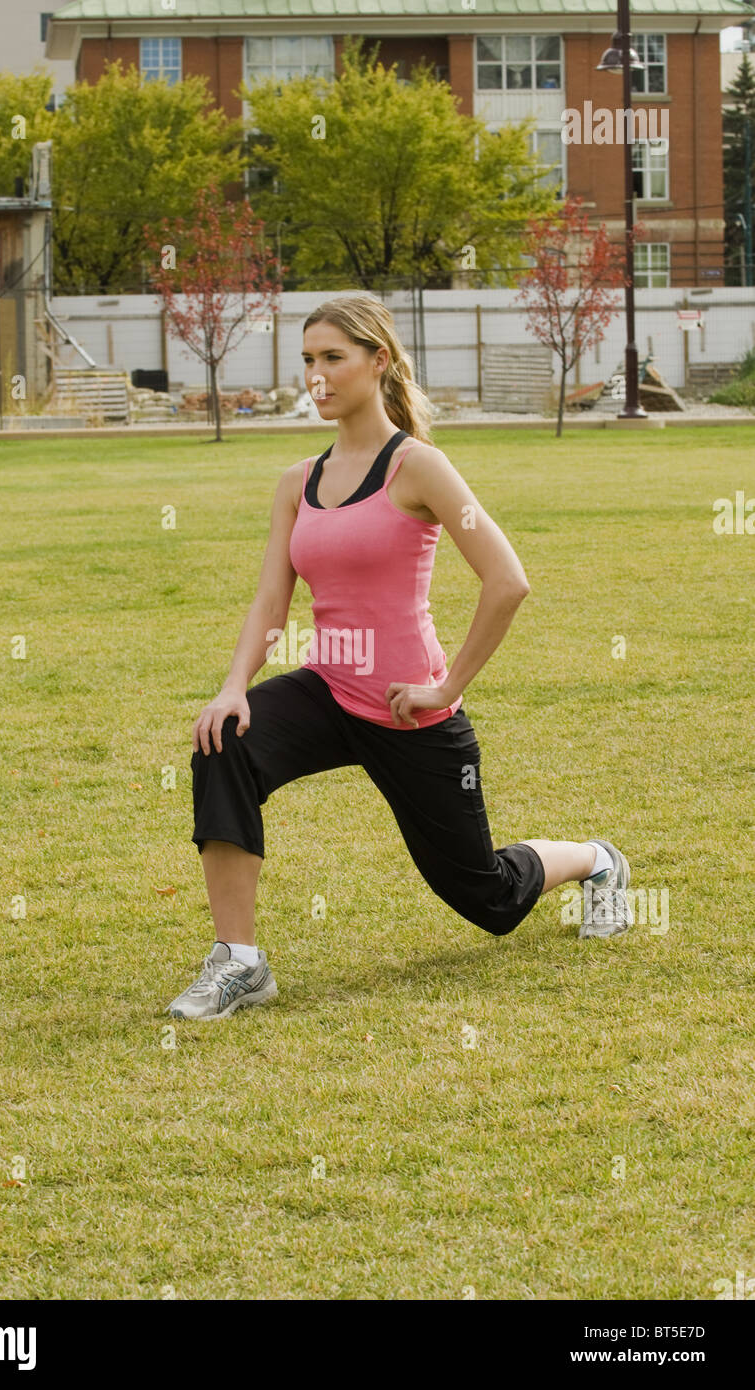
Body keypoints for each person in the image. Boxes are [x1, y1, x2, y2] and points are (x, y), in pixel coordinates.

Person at [166, 293, 633, 1021]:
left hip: (406, 707)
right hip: (327, 689)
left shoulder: (419, 468)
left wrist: (445, 687)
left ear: (377, 361)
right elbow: (270, 604)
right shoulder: (299, 482)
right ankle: (240, 962)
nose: (317, 375)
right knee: (224, 742)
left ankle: (596, 859)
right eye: (309, 361)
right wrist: (233, 688)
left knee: (488, 896)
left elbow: (508, 581)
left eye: (333, 358)